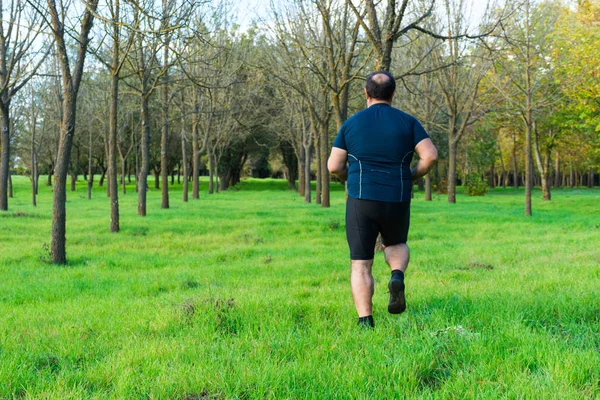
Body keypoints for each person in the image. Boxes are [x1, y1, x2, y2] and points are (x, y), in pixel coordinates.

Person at [327, 71, 438, 328]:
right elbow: (430, 156)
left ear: (366, 93)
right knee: (396, 243)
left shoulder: (351, 123)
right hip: (396, 197)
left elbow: (333, 165)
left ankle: (365, 321)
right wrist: (411, 176)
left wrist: (348, 177)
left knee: (361, 263)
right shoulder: (408, 122)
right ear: (393, 94)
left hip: (361, 199)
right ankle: (396, 275)